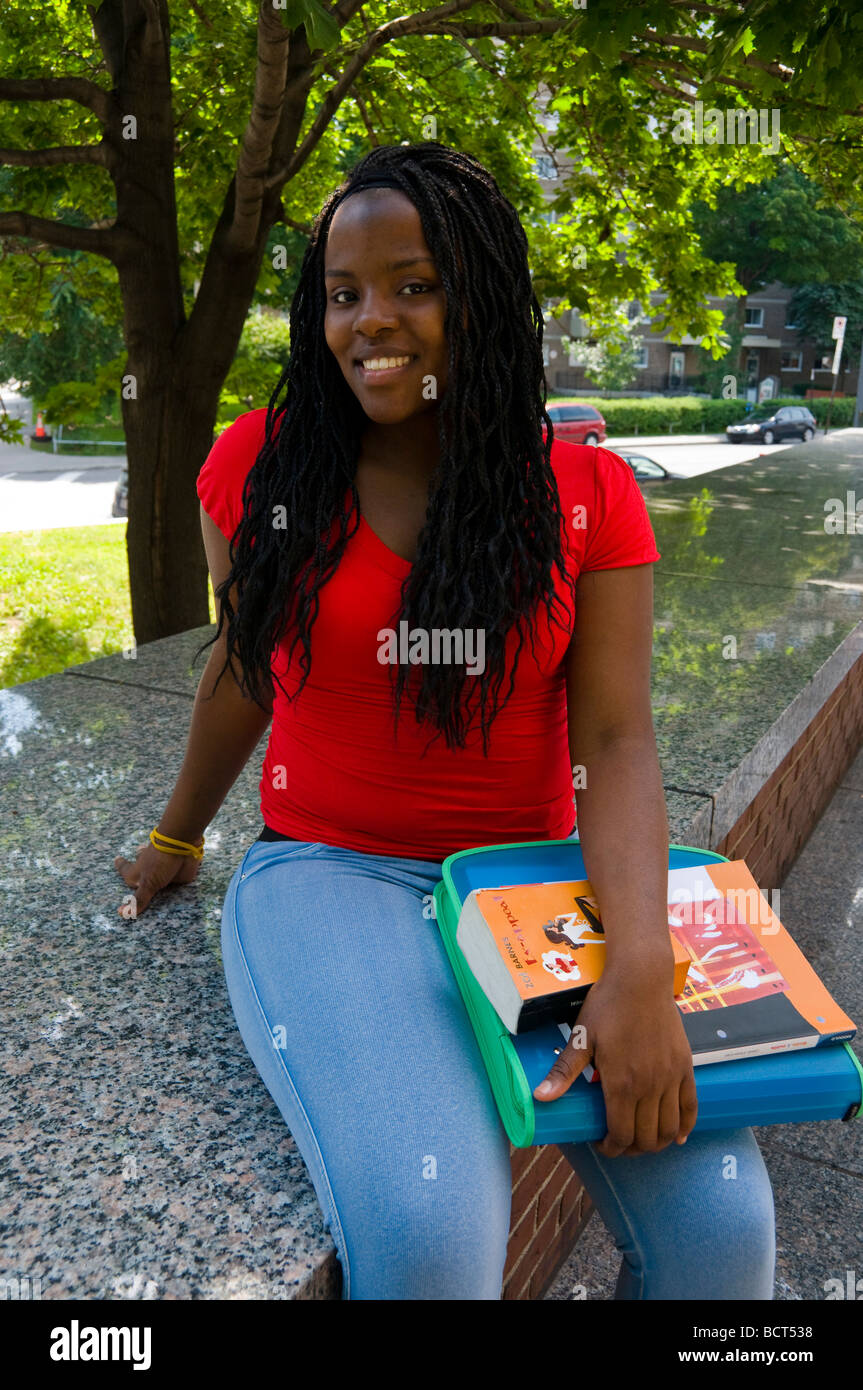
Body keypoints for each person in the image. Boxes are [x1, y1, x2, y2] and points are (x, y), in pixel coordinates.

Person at [115, 142, 775, 1301]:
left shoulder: (584, 494)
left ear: (478, 292)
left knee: (725, 1234)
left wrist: (637, 966)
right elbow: (243, 667)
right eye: (343, 292)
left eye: (413, 284)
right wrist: (179, 836)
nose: (373, 320)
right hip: (328, 873)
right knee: (429, 1229)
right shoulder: (255, 469)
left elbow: (617, 742)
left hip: (533, 890)